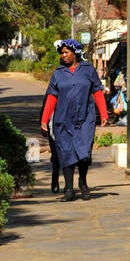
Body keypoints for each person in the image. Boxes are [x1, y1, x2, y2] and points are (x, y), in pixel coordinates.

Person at [40, 39, 107, 201]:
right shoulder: (58, 74)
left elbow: (97, 91)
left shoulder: (88, 70)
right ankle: (69, 189)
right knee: (66, 152)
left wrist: (104, 113)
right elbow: (51, 97)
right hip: (63, 120)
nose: (63, 56)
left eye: (66, 52)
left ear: (75, 53)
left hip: (85, 118)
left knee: (84, 152)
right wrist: (44, 119)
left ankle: (82, 182)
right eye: (61, 53)